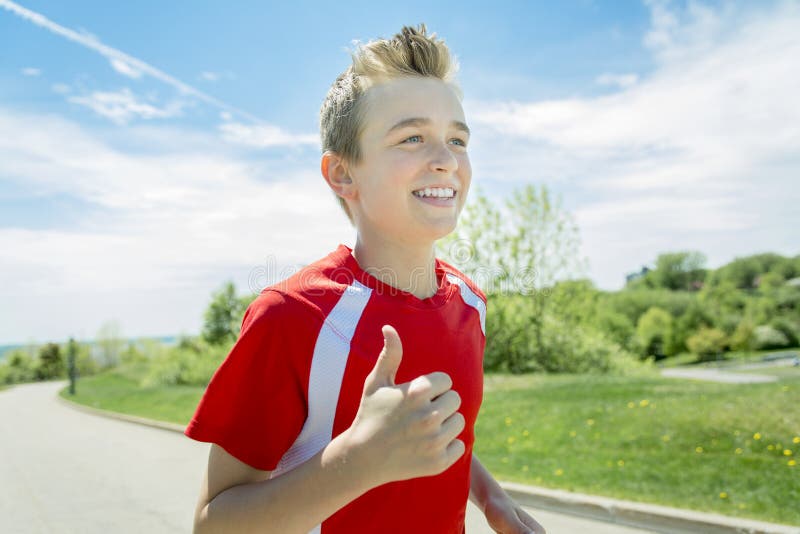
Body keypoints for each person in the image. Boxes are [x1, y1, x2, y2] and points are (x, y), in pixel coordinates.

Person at [185, 23, 546, 534]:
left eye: (457, 139)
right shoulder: (292, 315)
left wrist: (492, 499)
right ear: (342, 174)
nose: (445, 160)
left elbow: (432, 430)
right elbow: (211, 524)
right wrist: (358, 460)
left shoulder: (471, 303)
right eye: (412, 137)